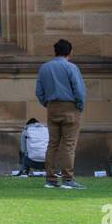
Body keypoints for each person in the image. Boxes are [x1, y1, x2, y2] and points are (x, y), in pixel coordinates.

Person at [36, 39, 87, 189]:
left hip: (52, 107)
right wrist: (79, 106)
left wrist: (47, 104)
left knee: (53, 144)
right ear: (70, 52)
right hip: (70, 107)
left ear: (55, 51)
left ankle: (50, 179)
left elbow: (39, 91)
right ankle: (68, 179)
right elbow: (79, 90)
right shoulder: (71, 67)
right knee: (69, 145)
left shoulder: (44, 68)